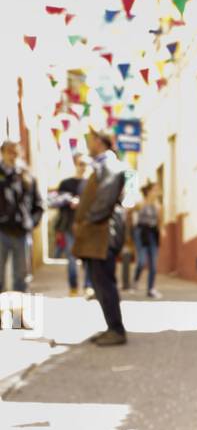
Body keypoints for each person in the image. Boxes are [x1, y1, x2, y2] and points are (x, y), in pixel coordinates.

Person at [72, 128, 128, 346]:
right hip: (97, 233)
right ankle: (111, 327)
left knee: (104, 283)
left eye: (91, 140)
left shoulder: (111, 165)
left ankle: (116, 329)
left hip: (103, 232)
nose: (88, 143)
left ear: (100, 141)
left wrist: (87, 220)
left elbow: (105, 199)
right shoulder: (102, 166)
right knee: (99, 283)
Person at [0, 138, 43, 293]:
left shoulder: (27, 175)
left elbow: (38, 204)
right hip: (1, 231)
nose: (13, 156)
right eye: (9, 152)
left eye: (16, 152)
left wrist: (31, 223)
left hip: (21, 233)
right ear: (2, 153)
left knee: (21, 278)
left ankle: (18, 315)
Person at [52, 154, 92, 295]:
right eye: (81, 163)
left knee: (89, 257)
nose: (83, 167)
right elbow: (55, 201)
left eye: (86, 164)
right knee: (71, 257)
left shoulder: (92, 183)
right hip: (70, 226)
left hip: (87, 226)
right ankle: (73, 286)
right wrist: (69, 200)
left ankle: (88, 286)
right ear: (76, 164)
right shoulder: (66, 183)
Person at [132, 183, 162, 298]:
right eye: (155, 190)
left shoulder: (158, 206)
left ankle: (150, 289)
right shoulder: (141, 203)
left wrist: (162, 230)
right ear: (149, 191)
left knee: (153, 264)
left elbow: (160, 222)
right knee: (142, 261)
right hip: (141, 233)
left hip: (153, 234)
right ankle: (135, 281)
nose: (157, 193)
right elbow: (131, 215)